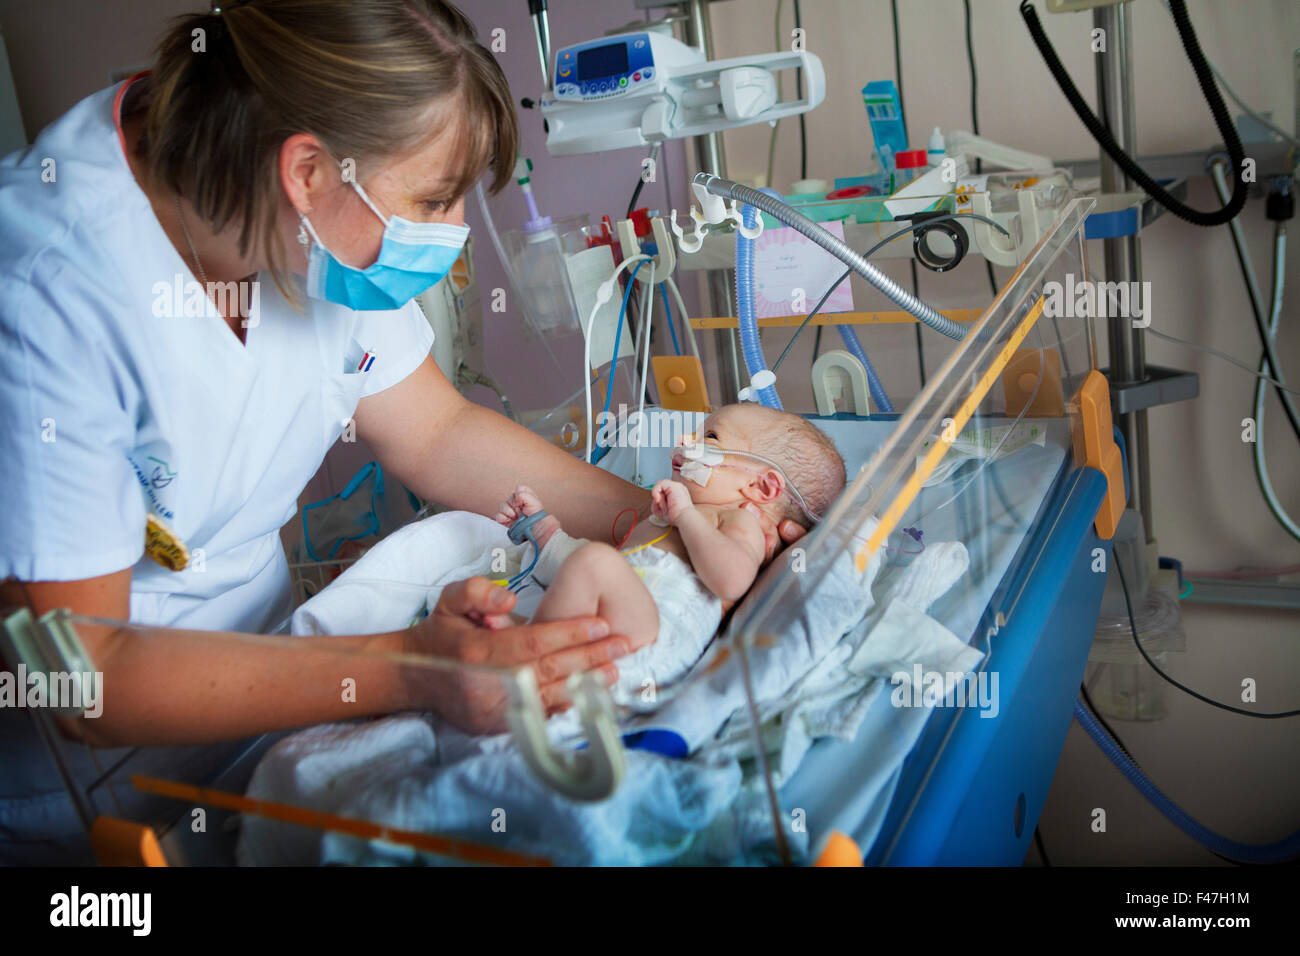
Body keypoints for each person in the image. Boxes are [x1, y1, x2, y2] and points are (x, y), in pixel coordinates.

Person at [0, 0, 807, 862]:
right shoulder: (48, 292)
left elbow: (438, 433)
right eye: (432, 197)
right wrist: (411, 666)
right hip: (103, 789)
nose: (455, 231)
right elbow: (81, 675)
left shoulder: (295, 223)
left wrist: (660, 536)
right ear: (306, 171)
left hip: (290, 710)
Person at [484, 405, 845, 714]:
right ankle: (525, 660)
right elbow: (596, 575)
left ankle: (529, 671)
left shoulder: (740, 522)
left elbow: (731, 581)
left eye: (712, 437)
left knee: (597, 563)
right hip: (617, 628)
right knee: (510, 611)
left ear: (762, 487)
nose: (687, 439)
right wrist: (547, 533)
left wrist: (687, 516)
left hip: (657, 643)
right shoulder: (664, 520)